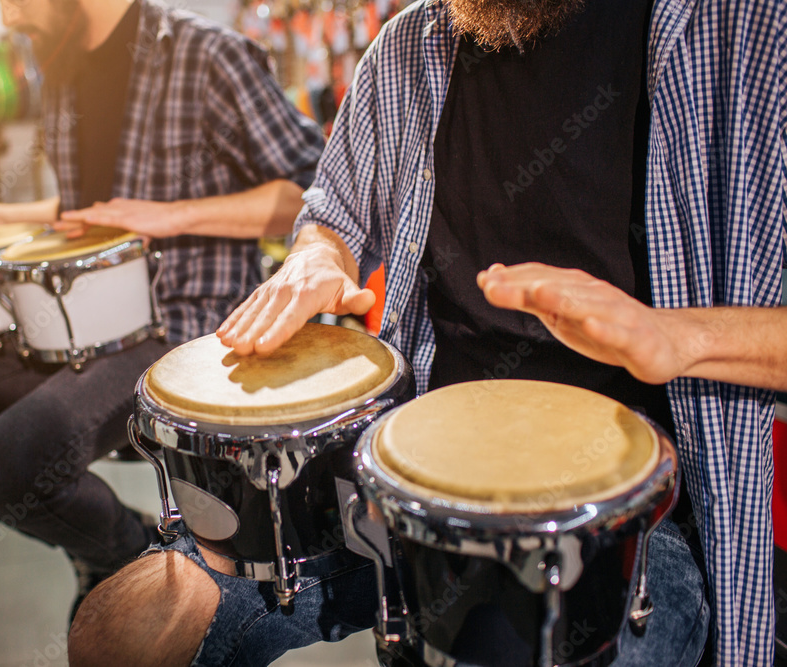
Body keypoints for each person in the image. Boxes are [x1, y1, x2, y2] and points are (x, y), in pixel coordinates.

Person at [69, 0, 786, 665]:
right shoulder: (411, 46)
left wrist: (679, 337)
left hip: (630, 521)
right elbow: (333, 211)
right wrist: (319, 258)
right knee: (124, 628)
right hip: (410, 469)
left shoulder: (744, 36)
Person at [0, 0, 324, 618]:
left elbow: (313, 191)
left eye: (15, 1)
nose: (8, 17)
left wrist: (171, 214)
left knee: (12, 457)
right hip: (68, 324)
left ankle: (155, 571)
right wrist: (0, 217)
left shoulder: (209, 54)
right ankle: (128, 551)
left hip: (175, 318)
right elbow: (90, 209)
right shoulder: (63, 64)